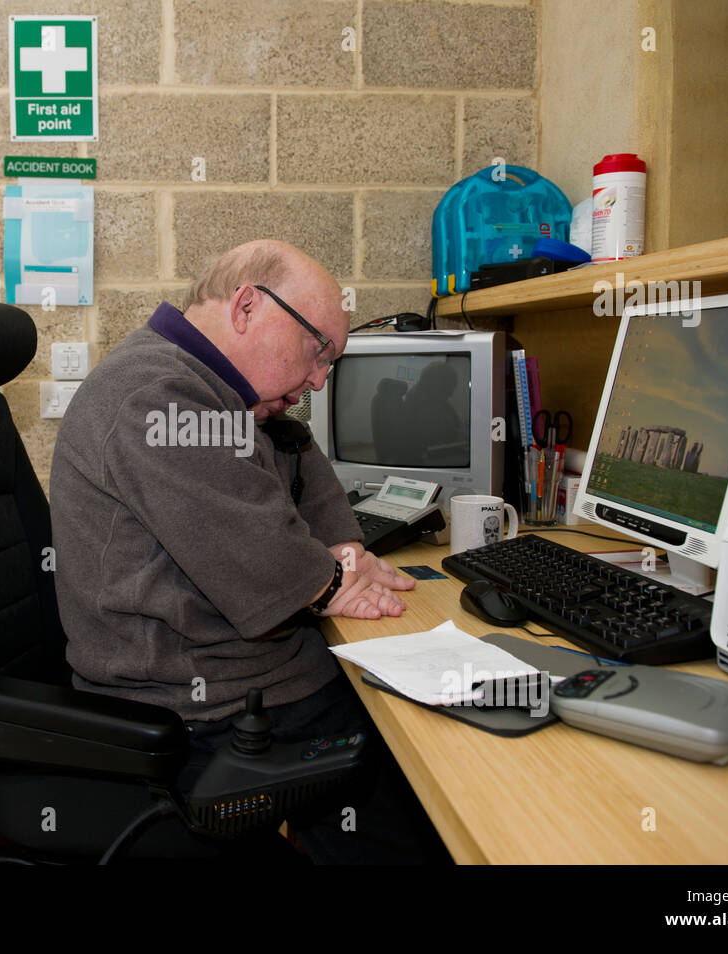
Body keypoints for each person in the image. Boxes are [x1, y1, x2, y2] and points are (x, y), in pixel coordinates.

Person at [49, 239, 451, 864]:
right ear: (246, 308)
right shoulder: (156, 394)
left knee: (419, 727)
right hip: (199, 702)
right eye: (319, 352)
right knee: (431, 779)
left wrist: (343, 547)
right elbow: (274, 573)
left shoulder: (219, 389)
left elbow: (298, 452)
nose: (319, 379)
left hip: (251, 672)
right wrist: (335, 578)